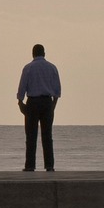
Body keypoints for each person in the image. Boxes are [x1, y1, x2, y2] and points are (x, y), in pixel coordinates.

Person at [17, 44, 62, 172]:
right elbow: (57, 89)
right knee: (47, 135)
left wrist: (20, 102)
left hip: (33, 102)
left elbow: (22, 86)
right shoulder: (52, 67)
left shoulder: (28, 68)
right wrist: (53, 104)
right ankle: (49, 165)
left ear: (33, 53)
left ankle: (30, 165)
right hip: (47, 101)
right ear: (44, 53)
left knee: (31, 135)